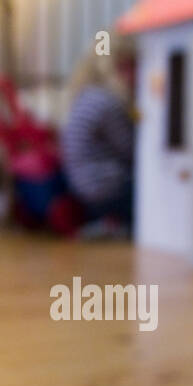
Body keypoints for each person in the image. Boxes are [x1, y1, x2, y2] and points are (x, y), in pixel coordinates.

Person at [61, 35, 137, 237]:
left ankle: (111, 224)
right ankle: (118, 226)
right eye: (126, 67)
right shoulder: (107, 102)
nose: (134, 75)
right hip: (107, 190)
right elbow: (132, 151)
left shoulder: (86, 96)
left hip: (83, 189)